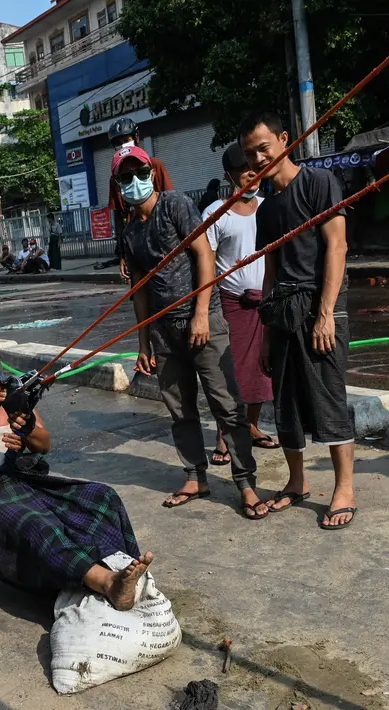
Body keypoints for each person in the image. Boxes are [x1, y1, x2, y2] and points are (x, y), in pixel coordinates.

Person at [0, 320, 153, 608]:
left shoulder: (11, 391)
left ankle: (122, 567)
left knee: (101, 497)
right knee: (35, 524)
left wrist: (28, 428)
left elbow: (44, 444)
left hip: (20, 481)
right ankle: (106, 582)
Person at [117, 144, 267, 520]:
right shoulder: (131, 231)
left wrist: (201, 313)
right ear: (118, 183)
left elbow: (204, 255)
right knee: (179, 409)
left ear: (150, 171)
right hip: (165, 331)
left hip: (204, 321)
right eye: (125, 176)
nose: (134, 181)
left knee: (226, 404)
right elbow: (139, 289)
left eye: (139, 172)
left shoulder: (175, 205)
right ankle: (195, 476)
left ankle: (246, 482)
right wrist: (143, 342)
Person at [239, 110, 356, 530]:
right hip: (284, 312)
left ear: (285, 140)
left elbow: (337, 248)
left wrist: (326, 314)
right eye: (250, 154)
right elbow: (270, 271)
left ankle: (344, 488)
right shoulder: (267, 210)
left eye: (263, 148)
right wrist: (267, 334)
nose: (257, 159)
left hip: (321, 306)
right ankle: (295, 482)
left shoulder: (319, 183)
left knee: (328, 397)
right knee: (285, 402)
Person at [205, 144, 278, 466]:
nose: (251, 174)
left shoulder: (269, 207)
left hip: (267, 301)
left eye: (253, 168)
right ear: (228, 175)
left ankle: (250, 426)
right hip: (232, 304)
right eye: (243, 169)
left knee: (262, 372)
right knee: (230, 372)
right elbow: (205, 265)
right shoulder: (214, 214)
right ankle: (224, 434)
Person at [107, 118, 174, 280]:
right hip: (134, 241)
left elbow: (169, 199)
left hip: (160, 236)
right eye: (119, 142)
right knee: (140, 286)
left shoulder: (154, 165)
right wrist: (122, 252)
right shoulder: (115, 177)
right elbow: (118, 215)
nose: (123, 144)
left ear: (135, 138)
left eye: (126, 140)